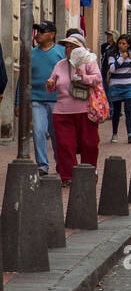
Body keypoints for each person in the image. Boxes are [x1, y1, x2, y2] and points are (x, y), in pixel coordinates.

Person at [47, 34, 103, 186]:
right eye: (67, 47)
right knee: (64, 145)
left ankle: (89, 171)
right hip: (62, 112)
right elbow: (52, 85)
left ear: (81, 49)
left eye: (72, 47)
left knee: (89, 144)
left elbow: (97, 79)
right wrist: (50, 84)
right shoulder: (60, 64)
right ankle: (68, 176)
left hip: (86, 110)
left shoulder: (89, 62)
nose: (68, 50)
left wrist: (84, 77)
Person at [31, 22, 64, 175]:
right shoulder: (31, 53)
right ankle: (42, 165)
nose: (38, 34)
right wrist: (18, 102)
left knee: (57, 134)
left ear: (51, 34)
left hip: (57, 100)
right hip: (36, 99)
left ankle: (60, 161)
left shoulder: (61, 52)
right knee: (38, 132)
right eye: (37, 31)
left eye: (42, 31)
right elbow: (24, 79)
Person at [106, 35, 131, 143]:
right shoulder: (113, 54)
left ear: (128, 45)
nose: (121, 45)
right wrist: (122, 58)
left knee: (128, 110)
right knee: (116, 111)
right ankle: (114, 134)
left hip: (129, 86)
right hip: (116, 86)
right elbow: (112, 69)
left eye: (124, 43)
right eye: (119, 43)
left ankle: (130, 134)